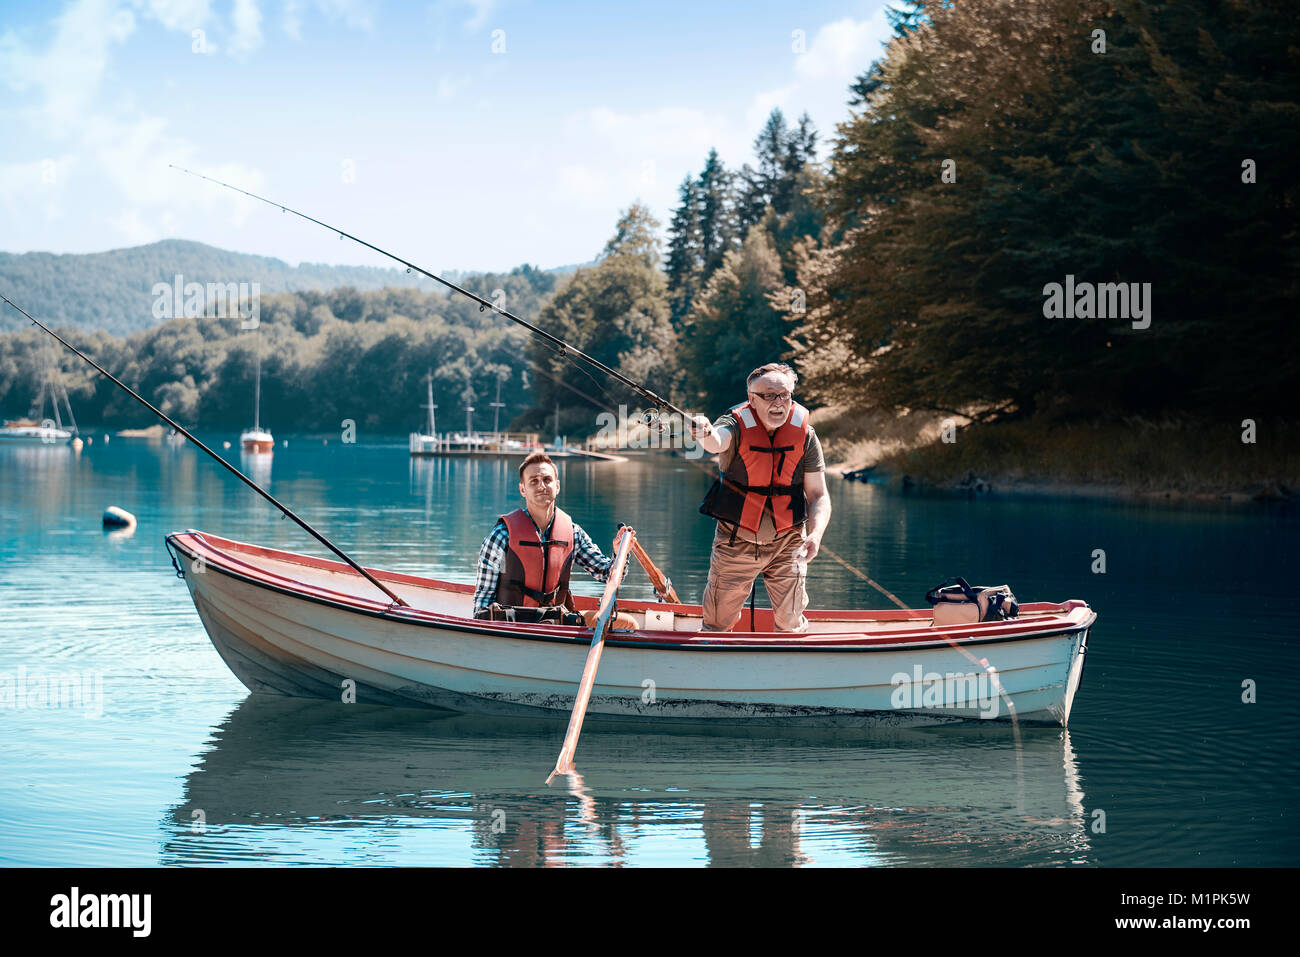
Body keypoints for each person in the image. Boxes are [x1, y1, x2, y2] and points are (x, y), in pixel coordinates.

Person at [689, 362, 831, 632]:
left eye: (785, 395)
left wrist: (816, 534)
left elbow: (818, 495)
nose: (778, 402)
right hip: (735, 541)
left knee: (790, 622)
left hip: (789, 542)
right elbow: (716, 442)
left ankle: (785, 669)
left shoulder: (806, 435)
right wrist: (703, 431)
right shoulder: (734, 424)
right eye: (768, 396)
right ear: (752, 399)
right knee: (717, 623)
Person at [472, 451, 627, 624]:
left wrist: (620, 552)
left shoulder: (573, 533)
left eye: (547, 480)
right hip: (511, 627)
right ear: (523, 489)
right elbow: (482, 603)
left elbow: (607, 575)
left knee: (628, 624)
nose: (542, 486)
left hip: (556, 626)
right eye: (534, 481)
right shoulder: (501, 536)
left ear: (557, 486)